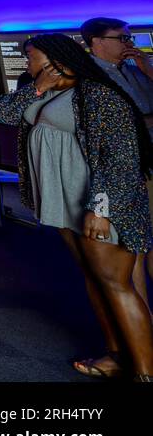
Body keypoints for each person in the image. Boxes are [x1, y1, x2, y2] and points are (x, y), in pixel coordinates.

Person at [0, 33, 153, 381]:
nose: (26, 62)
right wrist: (39, 85)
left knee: (116, 282)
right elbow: (6, 113)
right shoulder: (47, 89)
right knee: (95, 280)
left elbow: (120, 157)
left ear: (54, 60)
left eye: (31, 57)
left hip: (98, 203)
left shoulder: (98, 95)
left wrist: (101, 207)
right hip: (66, 203)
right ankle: (116, 355)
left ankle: (146, 372)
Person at [82, 17, 153, 309]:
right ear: (97, 42)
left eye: (129, 38)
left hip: (147, 163)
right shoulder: (93, 80)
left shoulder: (135, 70)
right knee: (131, 252)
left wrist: (148, 69)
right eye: (121, 38)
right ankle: (143, 327)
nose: (129, 44)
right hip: (127, 170)